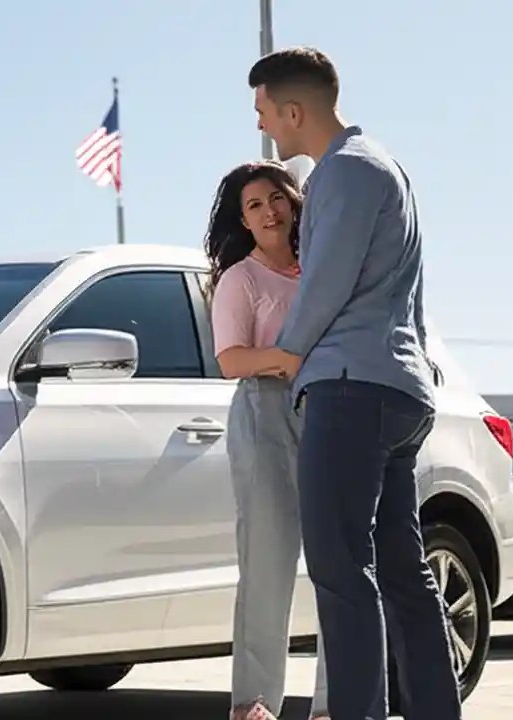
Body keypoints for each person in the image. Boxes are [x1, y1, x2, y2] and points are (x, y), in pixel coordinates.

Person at [246, 47, 459, 720]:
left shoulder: (344, 172)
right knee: (401, 571)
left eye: (264, 113)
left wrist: (284, 354)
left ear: (293, 110)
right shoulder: (386, 168)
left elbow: (325, 284)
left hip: (350, 389)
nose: (264, 129)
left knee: (340, 571)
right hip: (398, 391)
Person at [205, 159, 329, 720]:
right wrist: (289, 359)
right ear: (244, 221)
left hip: (328, 412)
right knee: (268, 563)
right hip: (265, 413)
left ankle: (338, 699)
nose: (270, 211)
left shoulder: (323, 269)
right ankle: (254, 702)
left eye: (277, 198)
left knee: (340, 563)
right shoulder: (241, 279)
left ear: (296, 201)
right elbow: (231, 360)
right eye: (255, 206)